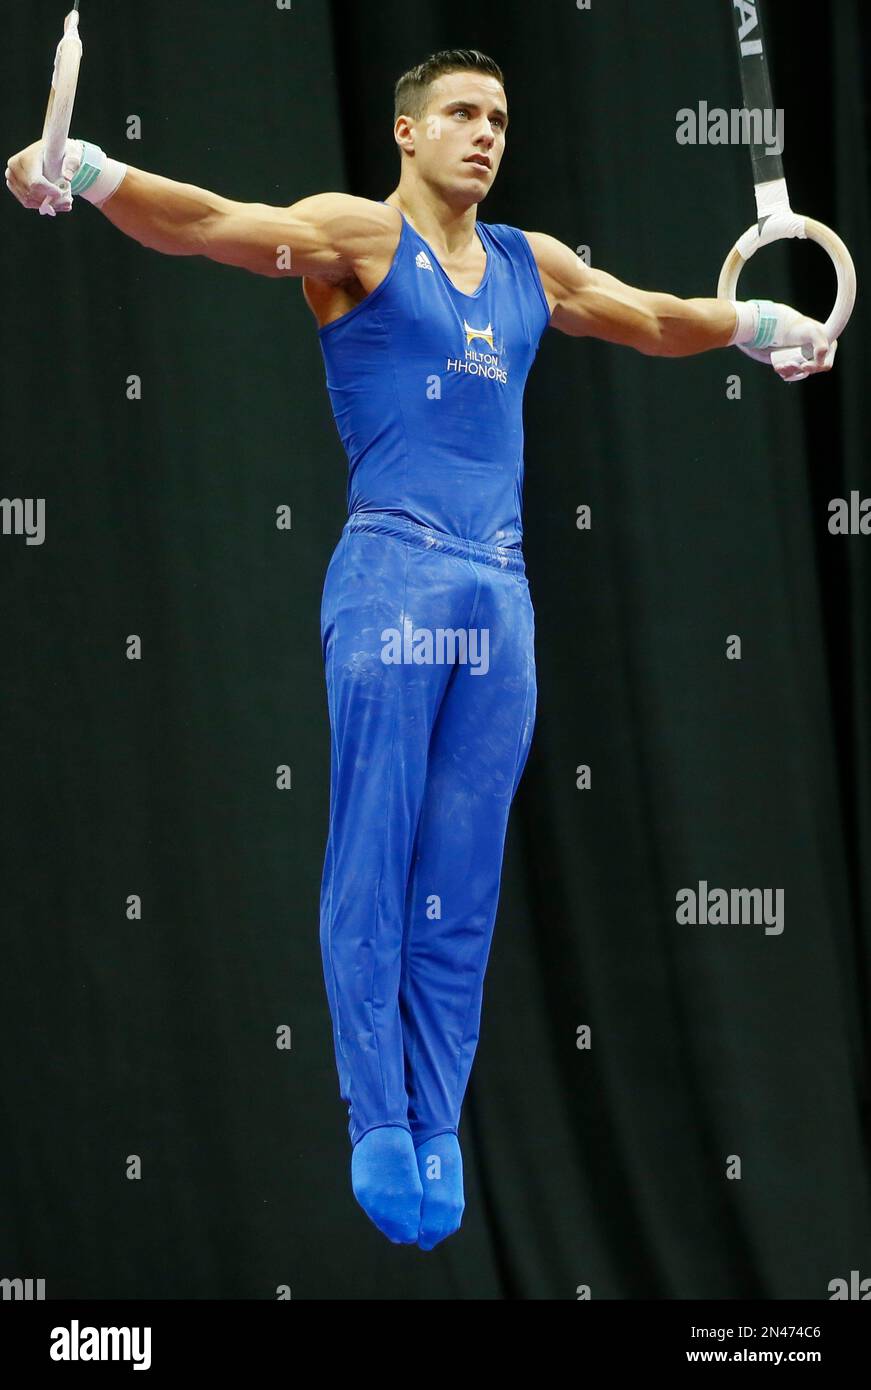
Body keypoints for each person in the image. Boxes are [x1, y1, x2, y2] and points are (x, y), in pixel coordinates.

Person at [6, 47, 835, 1253]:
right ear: (407, 133)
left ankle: (438, 1121)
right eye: (459, 113)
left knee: (463, 875)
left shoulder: (528, 264)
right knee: (377, 852)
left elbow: (655, 316)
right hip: (393, 572)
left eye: (498, 116)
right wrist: (85, 168)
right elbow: (207, 225)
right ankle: (377, 1118)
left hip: (501, 595)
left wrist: (763, 321)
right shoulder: (354, 240)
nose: (484, 133)